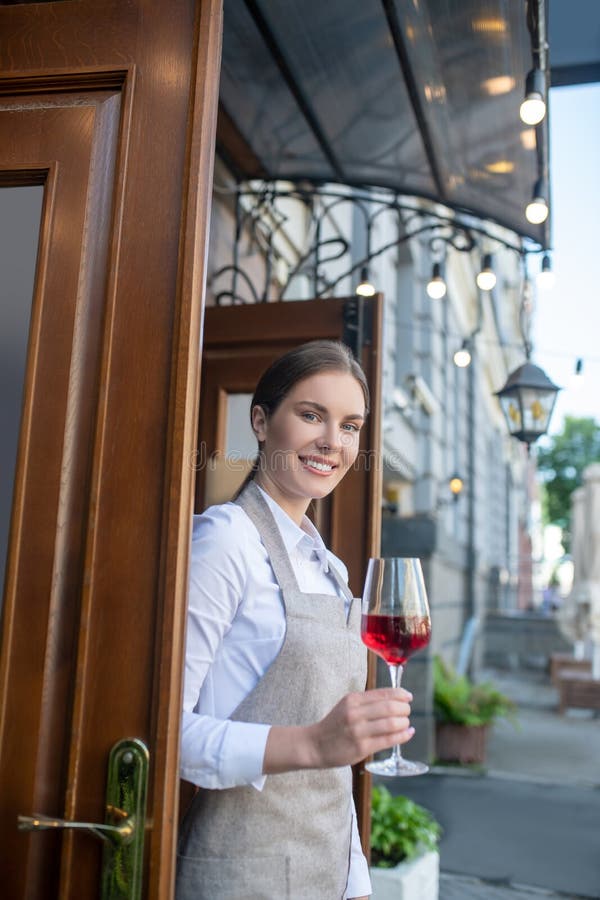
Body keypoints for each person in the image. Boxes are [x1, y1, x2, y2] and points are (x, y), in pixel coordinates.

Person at [176, 340, 414, 900]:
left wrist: (358, 883)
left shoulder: (329, 567)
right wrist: (309, 743)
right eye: (311, 415)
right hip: (241, 874)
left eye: (350, 425)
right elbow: (163, 733)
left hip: (325, 875)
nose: (333, 442)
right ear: (261, 421)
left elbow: (336, 771)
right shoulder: (225, 540)